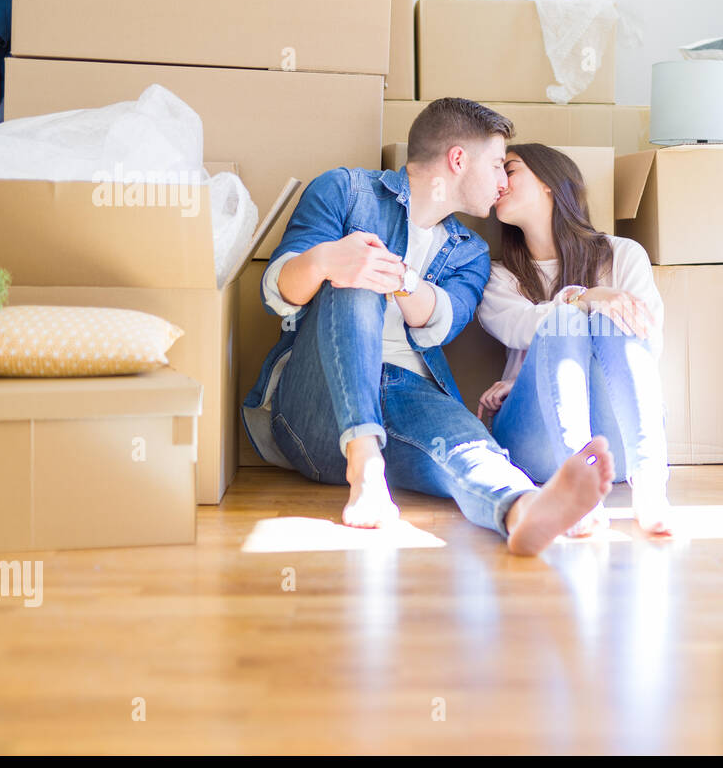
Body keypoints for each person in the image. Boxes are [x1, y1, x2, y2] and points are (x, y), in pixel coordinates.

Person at [241, 99, 614, 556]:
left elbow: (440, 322)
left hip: (407, 394)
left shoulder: (470, 252)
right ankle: (363, 465)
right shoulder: (345, 190)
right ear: (458, 159)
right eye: (499, 164)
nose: (502, 181)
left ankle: (525, 511)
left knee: (470, 450)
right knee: (358, 271)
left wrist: (400, 277)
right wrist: (326, 261)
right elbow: (276, 292)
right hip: (315, 409)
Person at [475, 143, 671, 536]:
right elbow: (521, 326)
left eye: (509, 169)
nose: (498, 182)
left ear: (548, 183)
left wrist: (595, 304)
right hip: (537, 439)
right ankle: (576, 488)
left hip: (619, 434)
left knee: (616, 316)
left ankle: (650, 483)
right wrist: (583, 298)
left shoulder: (623, 255)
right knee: (566, 318)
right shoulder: (497, 275)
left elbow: (646, 345)